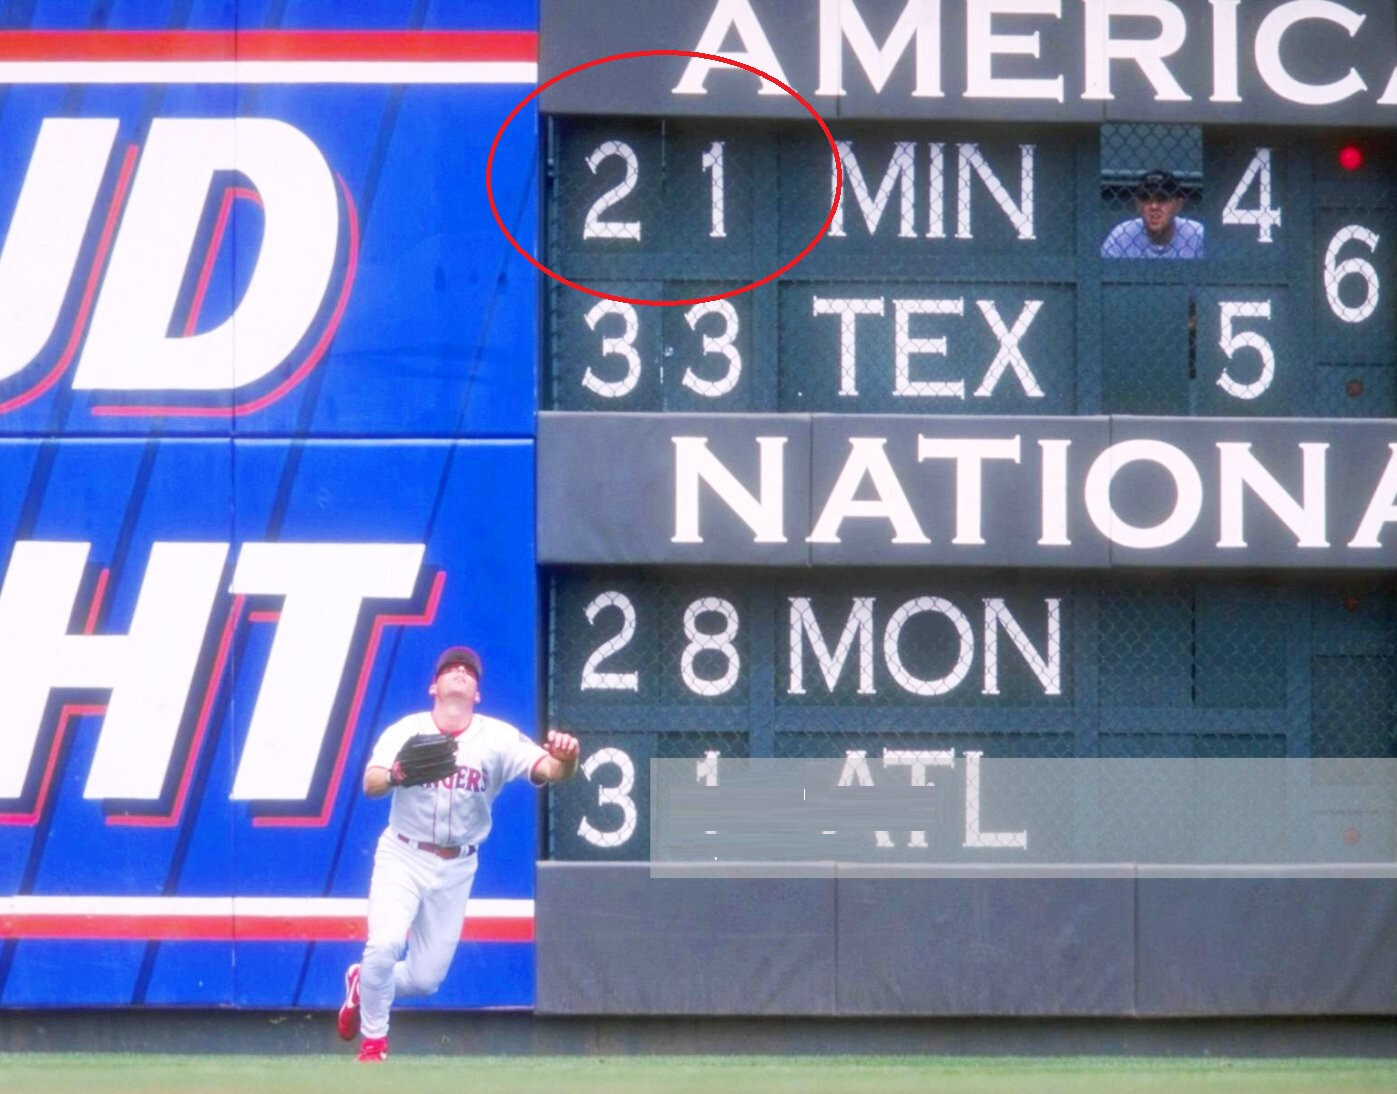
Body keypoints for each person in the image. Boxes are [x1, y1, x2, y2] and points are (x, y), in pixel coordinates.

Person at [336, 645, 580, 1062]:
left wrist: (568, 759)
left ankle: (364, 983)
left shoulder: (498, 737)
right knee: (385, 944)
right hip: (403, 854)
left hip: (457, 865)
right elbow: (371, 783)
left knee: (425, 978)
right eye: (451, 668)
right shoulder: (406, 729)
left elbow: (551, 771)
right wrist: (397, 774)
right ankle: (374, 1043)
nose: (461, 673)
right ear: (434, 685)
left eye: (469, 671)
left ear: (478, 694)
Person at [1101, 169, 1204, 259]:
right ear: (1138, 205)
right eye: (1146, 199)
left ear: (1178, 205)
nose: (1154, 206)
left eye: (1162, 199)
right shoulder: (1121, 236)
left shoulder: (1198, 235)